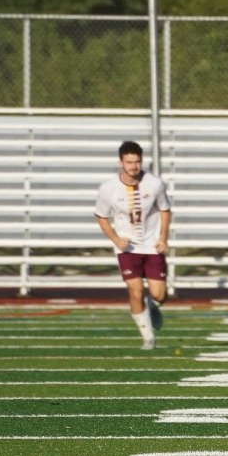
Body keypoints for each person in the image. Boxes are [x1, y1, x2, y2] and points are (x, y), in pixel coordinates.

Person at [94, 140, 172, 350]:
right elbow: (101, 216)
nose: (133, 167)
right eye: (129, 162)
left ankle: (152, 307)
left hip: (152, 244)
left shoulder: (155, 184)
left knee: (159, 295)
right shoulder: (108, 188)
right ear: (121, 162)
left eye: (137, 162)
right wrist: (116, 240)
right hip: (127, 247)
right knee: (135, 291)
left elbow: (165, 210)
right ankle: (148, 338)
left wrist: (163, 237)